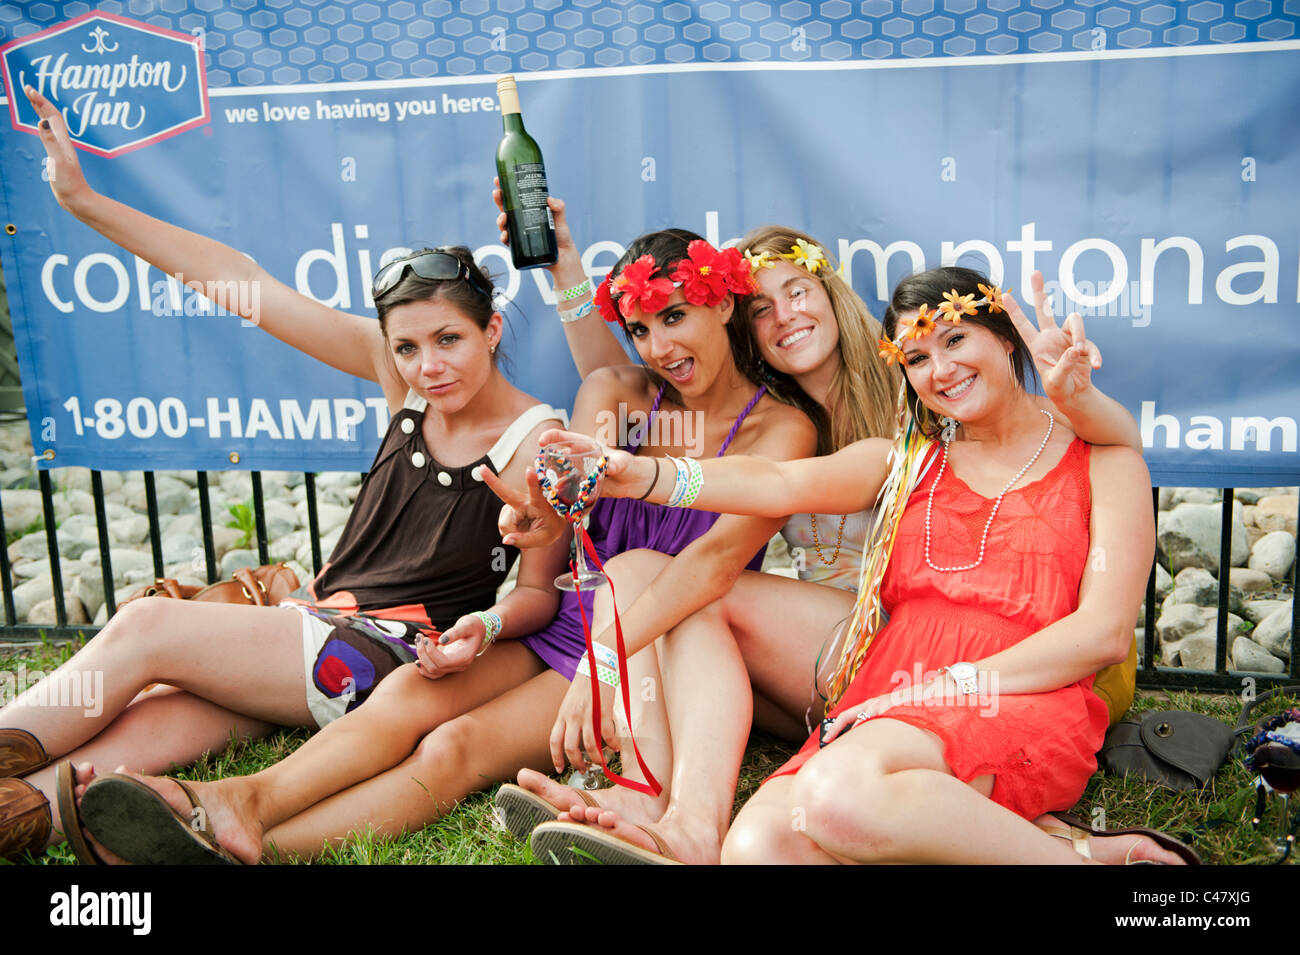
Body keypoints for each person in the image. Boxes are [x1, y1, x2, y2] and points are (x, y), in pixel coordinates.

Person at [66, 227, 817, 863]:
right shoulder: (617, 394)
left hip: (650, 636)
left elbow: (714, 562)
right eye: (642, 328)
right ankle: (232, 800)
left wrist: (609, 660)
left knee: (451, 751)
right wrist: (533, 532)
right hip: (562, 622)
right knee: (405, 696)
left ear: (723, 304)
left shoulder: (782, 428)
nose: (658, 345)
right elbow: (563, 503)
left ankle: (250, 842)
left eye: (674, 317)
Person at [0, 86, 571, 863]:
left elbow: (540, 592)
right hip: (317, 632)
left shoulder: (538, 435)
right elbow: (244, 285)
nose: (428, 366)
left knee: (146, 628)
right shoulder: (403, 385)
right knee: (169, 703)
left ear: (492, 328)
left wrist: (486, 627)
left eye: (449, 339)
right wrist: (86, 203)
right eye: (407, 347)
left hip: (385, 657)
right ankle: (27, 807)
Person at [500, 223, 1144, 864]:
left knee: (838, 799)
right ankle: (680, 821)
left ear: (1007, 340)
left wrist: (1079, 400)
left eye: (955, 340)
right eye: (918, 358)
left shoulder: (1102, 454)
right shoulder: (907, 456)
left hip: (1003, 685)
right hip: (880, 662)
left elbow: (1104, 632)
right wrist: (637, 472)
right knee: (756, 850)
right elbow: (778, 482)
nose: (941, 370)